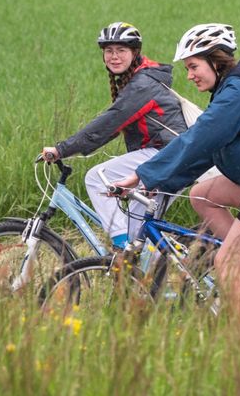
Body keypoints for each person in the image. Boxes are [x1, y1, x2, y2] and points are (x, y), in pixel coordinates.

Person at [114, 23, 240, 312]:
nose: (189, 76)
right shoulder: (233, 89)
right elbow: (207, 152)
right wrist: (156, 184)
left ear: (215, 60)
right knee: (203, 194)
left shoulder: (236, 94)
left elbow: (195, 140)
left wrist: (141, 174)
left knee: (225, 261)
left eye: (193, 66)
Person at [40, 22, 188, 248]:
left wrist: (62, 149)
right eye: (109, 51)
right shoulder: (140, 80)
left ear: (134, 53)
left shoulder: (143, 84)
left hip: (167, 154)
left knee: (96, 178)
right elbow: (114, 127)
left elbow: (110, 123)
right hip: (174, 157)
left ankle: (121, 248)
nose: (114, 56)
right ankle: (161, 276)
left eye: (121, 50)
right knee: (137, 230)